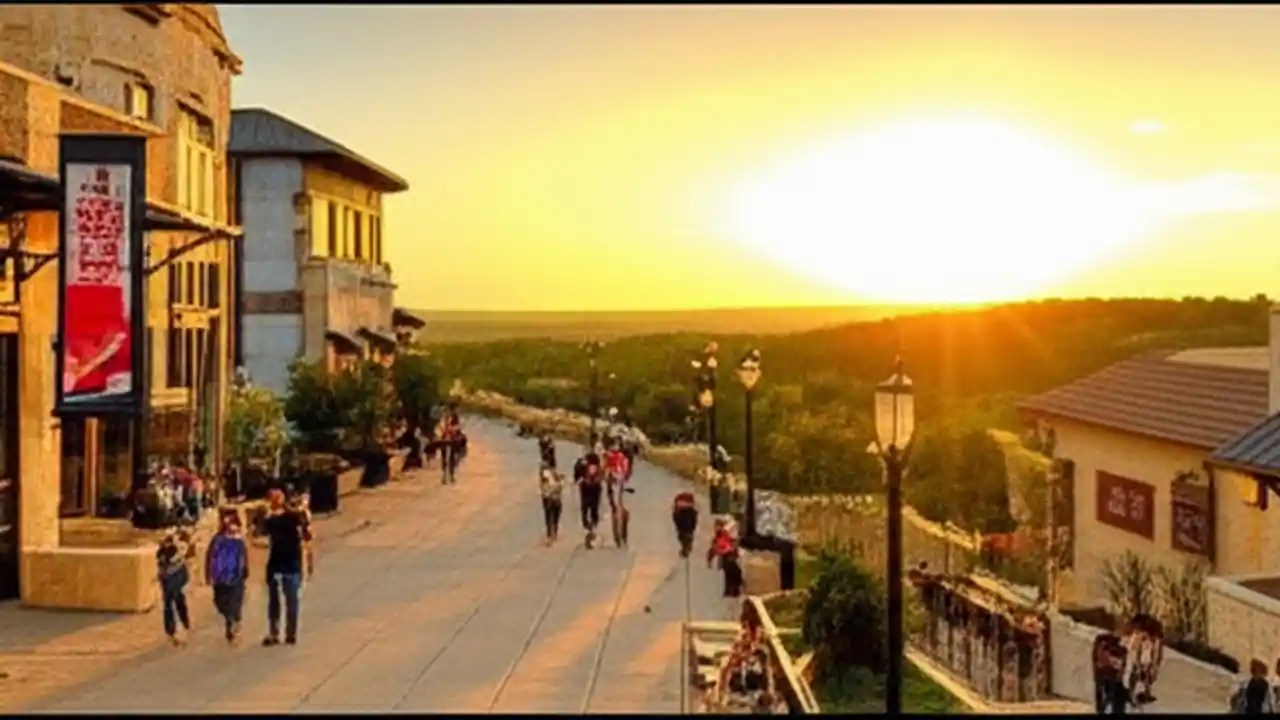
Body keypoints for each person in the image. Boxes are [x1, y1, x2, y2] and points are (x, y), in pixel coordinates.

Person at [262, 487, 314, 646]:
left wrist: (310, 562)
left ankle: (289, 633)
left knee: (290, 600)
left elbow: (307, 532)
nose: (276, 500)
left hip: (292, 564)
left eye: (278, 497)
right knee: (275, 601)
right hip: (276, 564)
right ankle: (275, 632)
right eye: (273, 497)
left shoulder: (293, 517)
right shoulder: (269, 520)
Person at [206, 508, 250, 643]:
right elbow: (210, 557)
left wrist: (245, 569)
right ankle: (230, 620)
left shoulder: (238, 539)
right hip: (220, 577)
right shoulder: (217, 539)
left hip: (236, 575)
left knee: (235, 601)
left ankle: (233, 623)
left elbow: (243, 555)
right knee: (220, 602)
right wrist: (208, 574)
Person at [156, 528, 194, 646]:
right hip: (171, 583)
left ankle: (177, 629)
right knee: (174, 605)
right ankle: (176, 629)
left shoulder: (172, 551)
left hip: (172, 582)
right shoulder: (167, 552)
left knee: (174, 605)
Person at [604, 442, 633, 548]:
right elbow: (607, 474)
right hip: (615, 486)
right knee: (617, 511)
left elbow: (625, 473)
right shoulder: (611, 459)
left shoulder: (623, 459)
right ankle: (619, 537)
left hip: (621, 486)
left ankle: (622, 536)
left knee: (622, 512)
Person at [708, 518, 743, 598]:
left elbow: (733, 542)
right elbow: (713, 550)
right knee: (730, 573)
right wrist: (709, 560)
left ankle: (733, 590)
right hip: (725, 557)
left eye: (719, 526)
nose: (717, 528)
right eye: (716, 526)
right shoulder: (717, 537)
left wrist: (735, 548)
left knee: (733, 572)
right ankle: (731, 590)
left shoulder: (725, 535)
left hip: (729, 556)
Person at [577, 451, 604, 549]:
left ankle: (590, 528)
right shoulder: (597, 470)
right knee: (592, 511)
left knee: (587, 510)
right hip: (592, 491)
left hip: (588, 491)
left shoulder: (584, 468)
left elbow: (577, 476)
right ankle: (591, 528)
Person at [539, 461, 564, 545]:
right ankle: (551, 533)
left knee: (550, 516)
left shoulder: (550, 475)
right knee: (552, 516)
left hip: (551, 498)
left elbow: (559, 485)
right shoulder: (550, 475)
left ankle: (551, 533)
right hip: (551, 498)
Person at [672, 492, 699, 558]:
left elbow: (676, 519)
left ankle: (686, 552)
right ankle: (686, 552)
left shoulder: (683, 538)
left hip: (685, 529)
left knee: (685, 538)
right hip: (686, 529)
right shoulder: (684, 537)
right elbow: (694, 521)